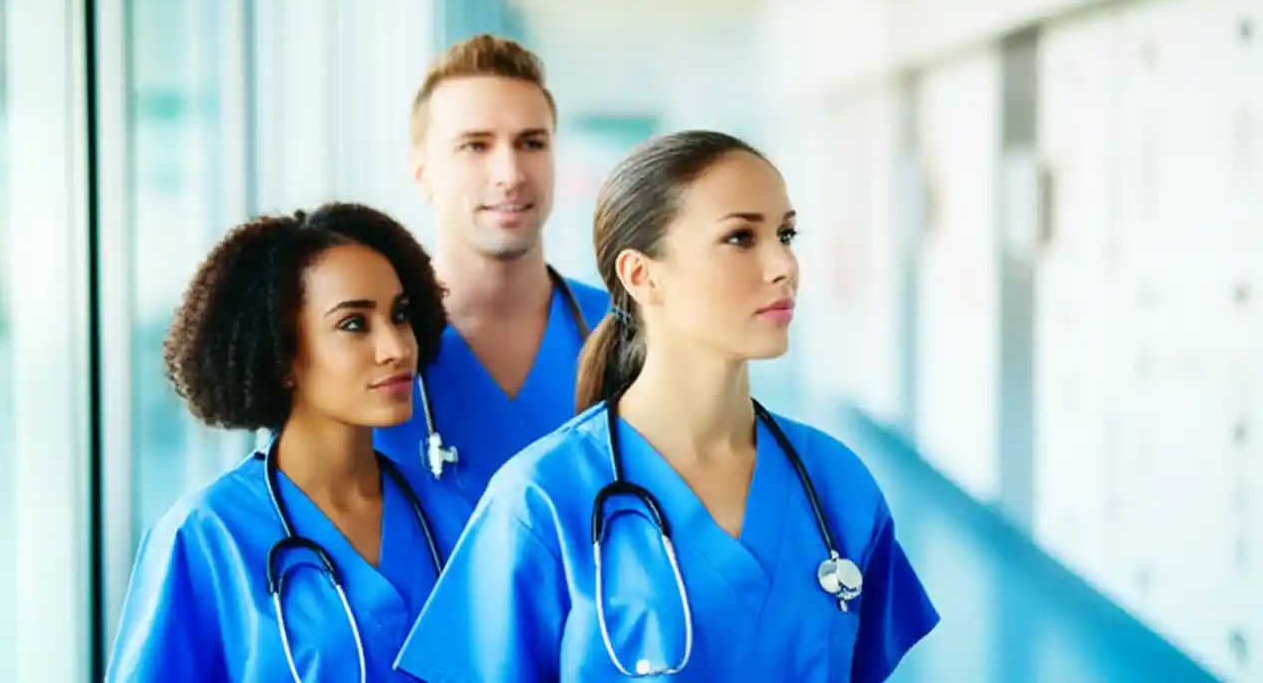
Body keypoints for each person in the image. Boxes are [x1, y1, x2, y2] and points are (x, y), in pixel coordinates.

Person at [394, 131, 939, 682]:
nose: (783, 266)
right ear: (641, 275)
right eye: (740, 238)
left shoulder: (835, 482)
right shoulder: (543, 500)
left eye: (786, 234)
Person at [106, 203, 463, 682]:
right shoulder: (207, 536)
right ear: (280, 355)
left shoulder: (454, 518)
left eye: (400, 316)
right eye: (354, 324)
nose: (397, 348)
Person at [373, 34, 608, 547]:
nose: (510, 174)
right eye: (475, 146)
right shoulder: (369, 348)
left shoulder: (628, 333)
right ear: (422, 173)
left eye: (531, 143)